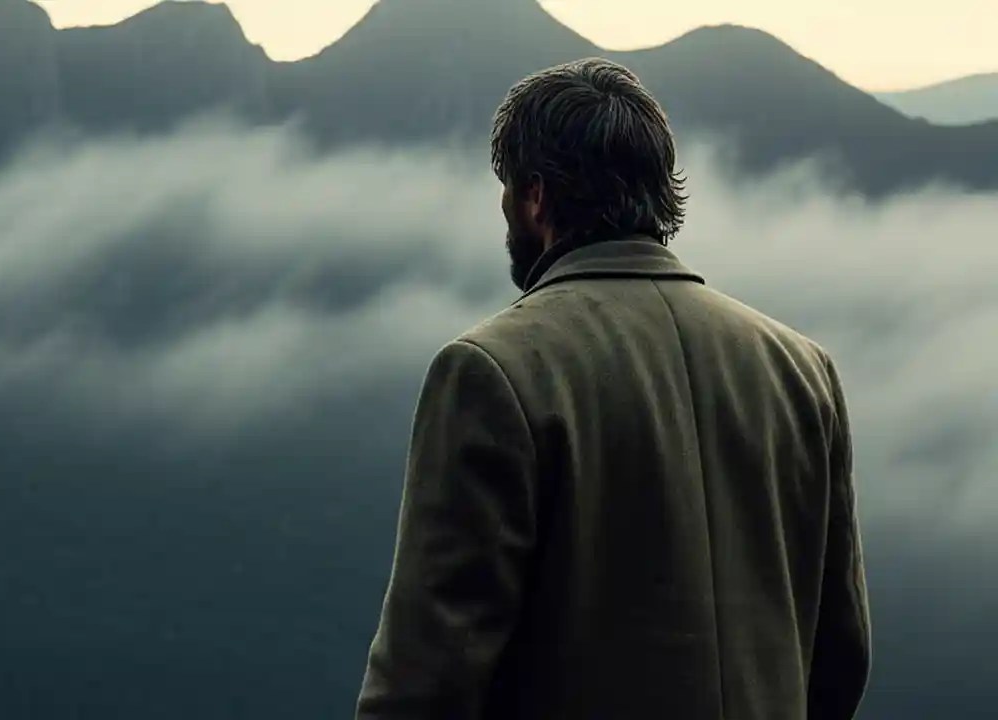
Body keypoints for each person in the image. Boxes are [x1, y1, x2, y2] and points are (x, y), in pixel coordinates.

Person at [354, 57, 872, 720]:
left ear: (535, 197)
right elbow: (839, 657)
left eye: (508, 192)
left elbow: (429, 678)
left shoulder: (492, 372)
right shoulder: (802, 370)